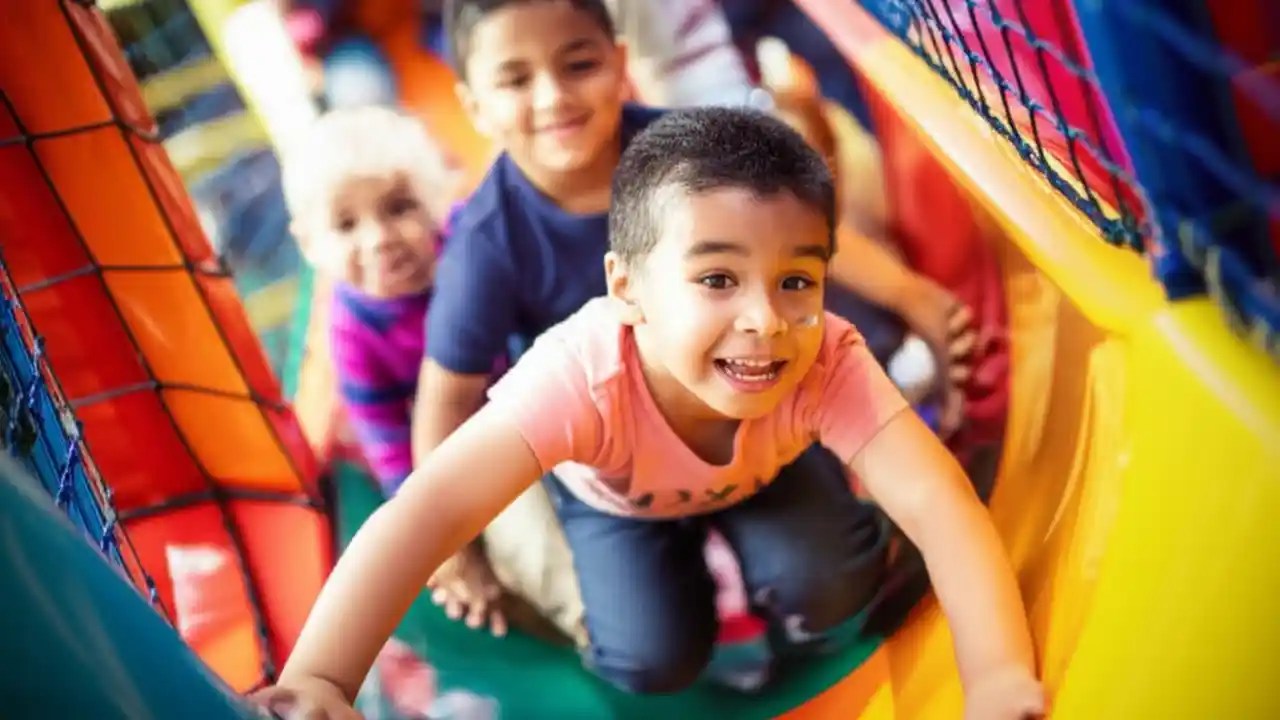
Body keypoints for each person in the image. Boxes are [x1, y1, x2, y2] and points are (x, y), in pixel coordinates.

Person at [252, 107, 1045, 718]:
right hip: (618, 501)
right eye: (717, 280)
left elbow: (941, 505)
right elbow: (428, 510)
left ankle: (810, 587)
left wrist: (998, 673)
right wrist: (320, 677)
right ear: (627, 290)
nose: (764, 320)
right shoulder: (580, 372)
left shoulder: (823, 356)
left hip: (763, 476)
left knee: (834, 589)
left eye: (797, 281)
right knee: (651, 660)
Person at [280, 104, 583, 646]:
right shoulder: (352, 332)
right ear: (309, 243)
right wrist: (447, 550)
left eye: (400, 208)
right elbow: (396, 455)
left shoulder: (473, 242)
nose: (379, 239)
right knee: (523, 544)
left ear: (439, 201)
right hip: (480, 459)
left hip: (558, 407)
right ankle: (589, 630)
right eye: (346, 224)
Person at [408, 0, 662, 637]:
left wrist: (917, 299)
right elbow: (443, 403)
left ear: (620, 63)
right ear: (474, 107)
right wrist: (447, 547)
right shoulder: (487, 243)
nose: (552, 98)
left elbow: (802, 233)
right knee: (643, 651)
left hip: (736, 412)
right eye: (516, 80)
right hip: (611, 461)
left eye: (578, 64)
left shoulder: (688, 155)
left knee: (824, 584)